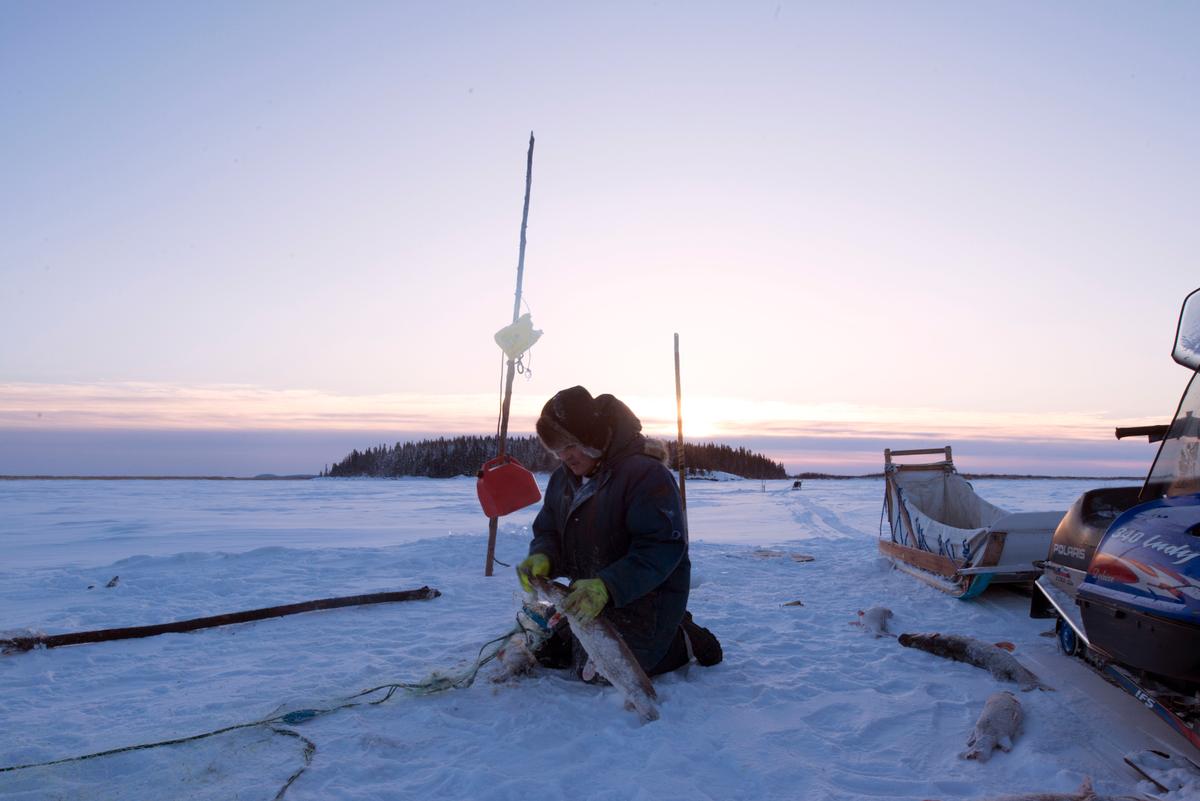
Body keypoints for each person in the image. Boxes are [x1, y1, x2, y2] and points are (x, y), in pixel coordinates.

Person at [517, 385, 722, 679]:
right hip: (591, 598)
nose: (564, 456)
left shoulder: (645, 475)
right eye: (557, 450)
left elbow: (661, 547)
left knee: (609, 674)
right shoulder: (564, 480)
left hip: (645, 601)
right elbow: (549, 528)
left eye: (569, 445)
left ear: (590, 437)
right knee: (550, 654)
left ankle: (685, 638)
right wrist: (543, 556)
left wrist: (608, 586)